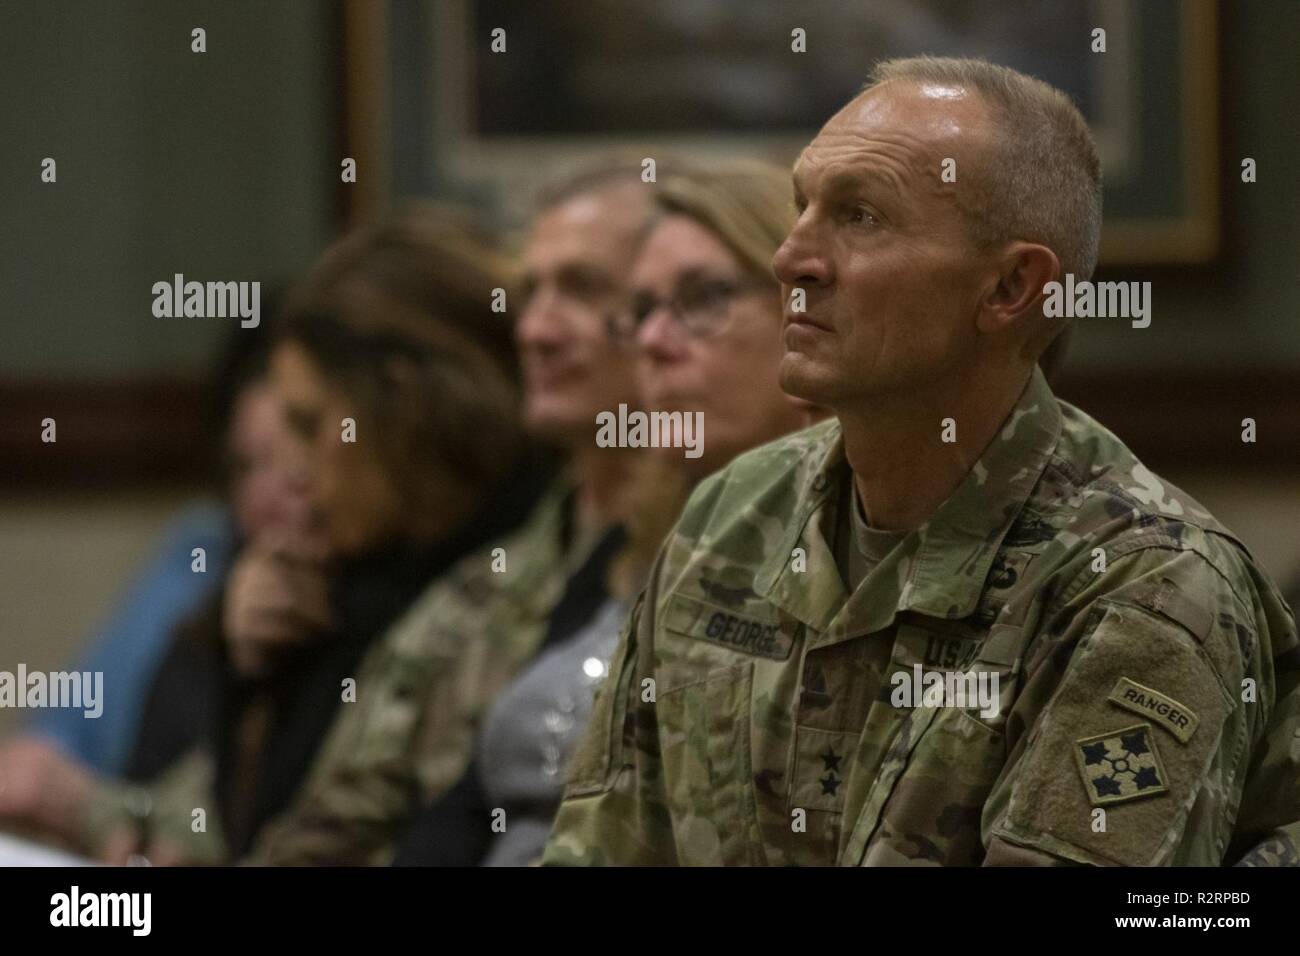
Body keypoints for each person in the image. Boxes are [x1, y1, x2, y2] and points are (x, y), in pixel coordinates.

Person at [544, 56, 1299, 867]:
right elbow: (602, 845)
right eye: (803, 207)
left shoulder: (1142, 583)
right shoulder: (734, 512)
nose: (791, 259)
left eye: (860, 217)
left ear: (1011, 287)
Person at [0, 206, 538, 864]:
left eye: (311, 430)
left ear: (403, 411)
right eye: (245, 465)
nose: (297, 478)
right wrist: (252, 673)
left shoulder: (520, 576)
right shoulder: (327, 572)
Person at [392, 160, 821, 865]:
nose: (651, 341)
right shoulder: (644, 540)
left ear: (809, 311)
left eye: (705, 297)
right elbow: (461, 809)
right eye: (644, 309)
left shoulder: (848, 547)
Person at [244, 158, 660, 865]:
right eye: (531, 294)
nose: (536, 331)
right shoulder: (486, 582)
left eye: (583, 290)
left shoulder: (701, 552)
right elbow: (322, 827)